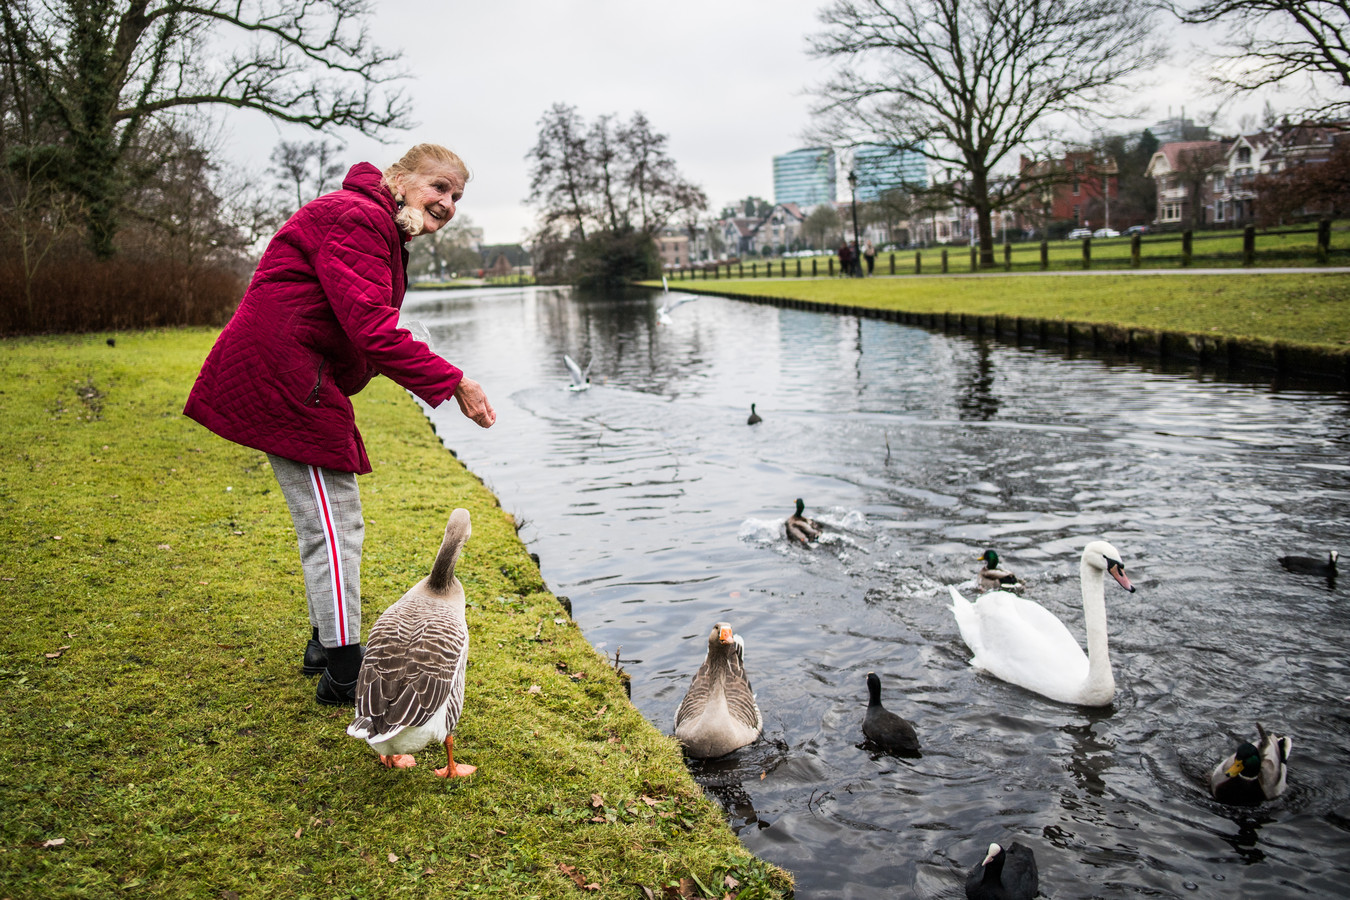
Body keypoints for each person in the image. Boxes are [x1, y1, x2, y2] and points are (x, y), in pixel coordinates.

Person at [184, 143, 496, 706]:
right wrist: (454, 383)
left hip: (298, 372)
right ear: (399, 179)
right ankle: (346, 670)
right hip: (284, 374)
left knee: (330, 518)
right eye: (439, 187)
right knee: (332, 521)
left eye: (457, 196)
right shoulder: (357, 218)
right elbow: (372, 327)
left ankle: (325, 646)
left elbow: (362, 329)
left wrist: (413, 370)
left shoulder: (375, 224)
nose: (448, 203)